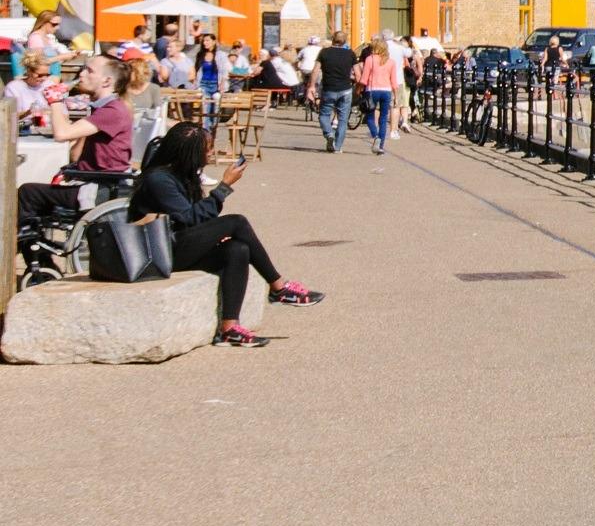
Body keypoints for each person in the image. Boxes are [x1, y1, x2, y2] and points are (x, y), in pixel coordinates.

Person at [129, 124, 321, 347]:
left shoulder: (183, 175)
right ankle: (279, 287)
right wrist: (224, 186)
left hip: (178, 245)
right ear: (189, 152)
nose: (211, 153)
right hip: (158, 253)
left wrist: (211, 234)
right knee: (236, 221)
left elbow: (197, 219)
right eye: (207, 148)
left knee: (238, 249)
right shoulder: (159, 180)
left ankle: (229, 329)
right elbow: (191, 218)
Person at [39, 55, 135, 177]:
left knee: (26, 192)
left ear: (107, 81)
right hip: (90, 178)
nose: (81, 74)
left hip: (101, 185)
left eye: (89, 71)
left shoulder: (112, 111)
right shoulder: (102, 107)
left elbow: (61, 134)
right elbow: (75, 156)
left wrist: (55, 100)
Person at [313, 34, 359, 151]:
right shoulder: (350, 53)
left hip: (329, 88)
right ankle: (338, 147)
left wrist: (311, 86)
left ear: (333, 39)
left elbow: (316, 70)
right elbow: (358, 74)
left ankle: (329, 134)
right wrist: (359, 87)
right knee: (343, 119)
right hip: (346, 89)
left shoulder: (324, 52)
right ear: (345, 41)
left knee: (324, 114)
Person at [354, 38, 398, 155]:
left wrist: (358, 89)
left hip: (372, 90)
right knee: (383, 119)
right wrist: (396, 96)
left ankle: (376, 136)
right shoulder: (391, 62)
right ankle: (381, 146)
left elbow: (364, 78)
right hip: (386, 91)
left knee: (369, 117)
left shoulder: (370, 59)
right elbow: (394, 81)